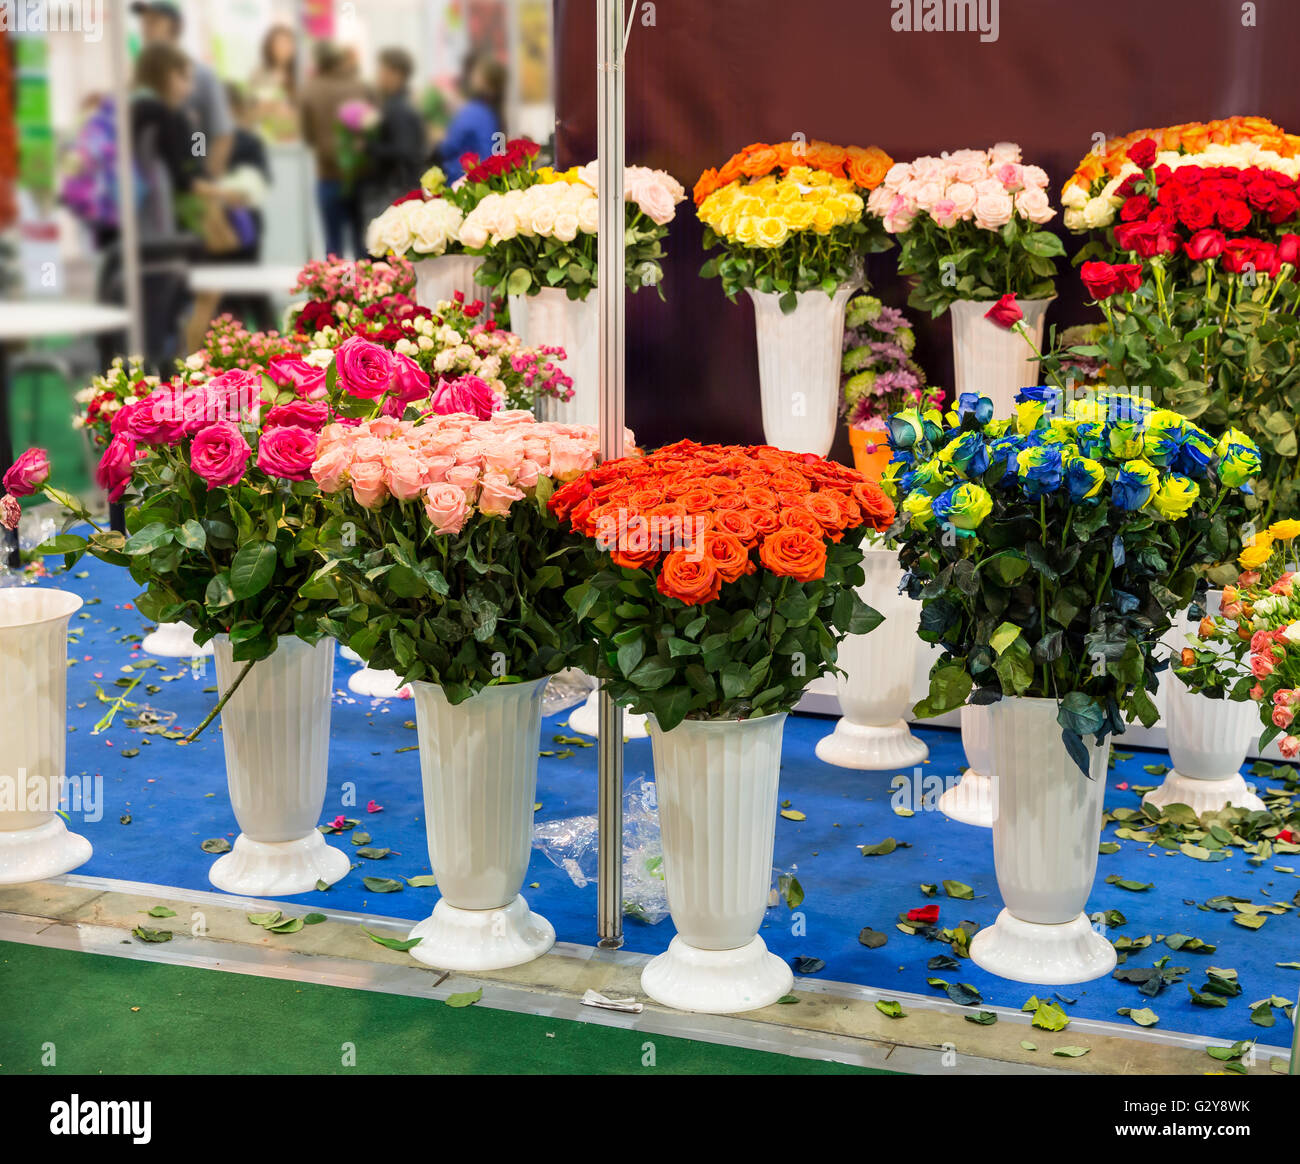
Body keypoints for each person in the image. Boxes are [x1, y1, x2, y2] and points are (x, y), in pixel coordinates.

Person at [131, 1, 234, 179]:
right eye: (144, 23)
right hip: (152, 187)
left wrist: (203, 181)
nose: (146, 30)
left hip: (191, 181)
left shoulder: (200, 75)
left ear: (175, 26)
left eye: (153, 22)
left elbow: (219, 135)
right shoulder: (140, 79)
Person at [299, 41, 370, 257]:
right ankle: (365, 289)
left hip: (328, 175)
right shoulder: (360, 87)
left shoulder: (310, 90)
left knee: (334, 245)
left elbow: (308, 136)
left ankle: (339, 288)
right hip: (359, 173)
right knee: (362, 244)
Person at [358, 48, 427, 223]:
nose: (378, 76)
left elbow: (405, 150)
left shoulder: (398, 109)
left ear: (396, 74)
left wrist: (368, 147)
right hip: (398, 188)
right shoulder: (400, 104)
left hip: (394, 190)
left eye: (382, 70)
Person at [428, 53, 504, 183]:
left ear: (484, 81)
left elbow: (448, 147)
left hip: (463, 180)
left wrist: (437, 138)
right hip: (488, 177)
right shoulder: (494, 112)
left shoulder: (474, 111)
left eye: (476, 75)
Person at [249, 22, 298, 142]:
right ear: (270, 46)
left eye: (288, 43)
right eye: (279, 43)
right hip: (268, 137)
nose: (285, 48)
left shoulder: (298, 74)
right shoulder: (259, 74)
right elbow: (252, 108)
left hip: (294, 137)